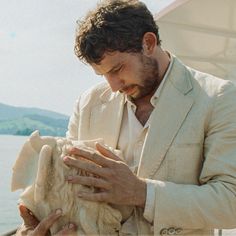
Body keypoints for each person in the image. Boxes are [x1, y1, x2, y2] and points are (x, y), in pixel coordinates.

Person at [17, 0, 236, 235]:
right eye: (102, 75)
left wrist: (141, 192)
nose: (112, 86)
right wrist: (34, 228)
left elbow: (230, 202)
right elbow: (66, 187)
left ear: (149, 43)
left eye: (117, 69)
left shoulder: (219, 98)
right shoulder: (88, 104)